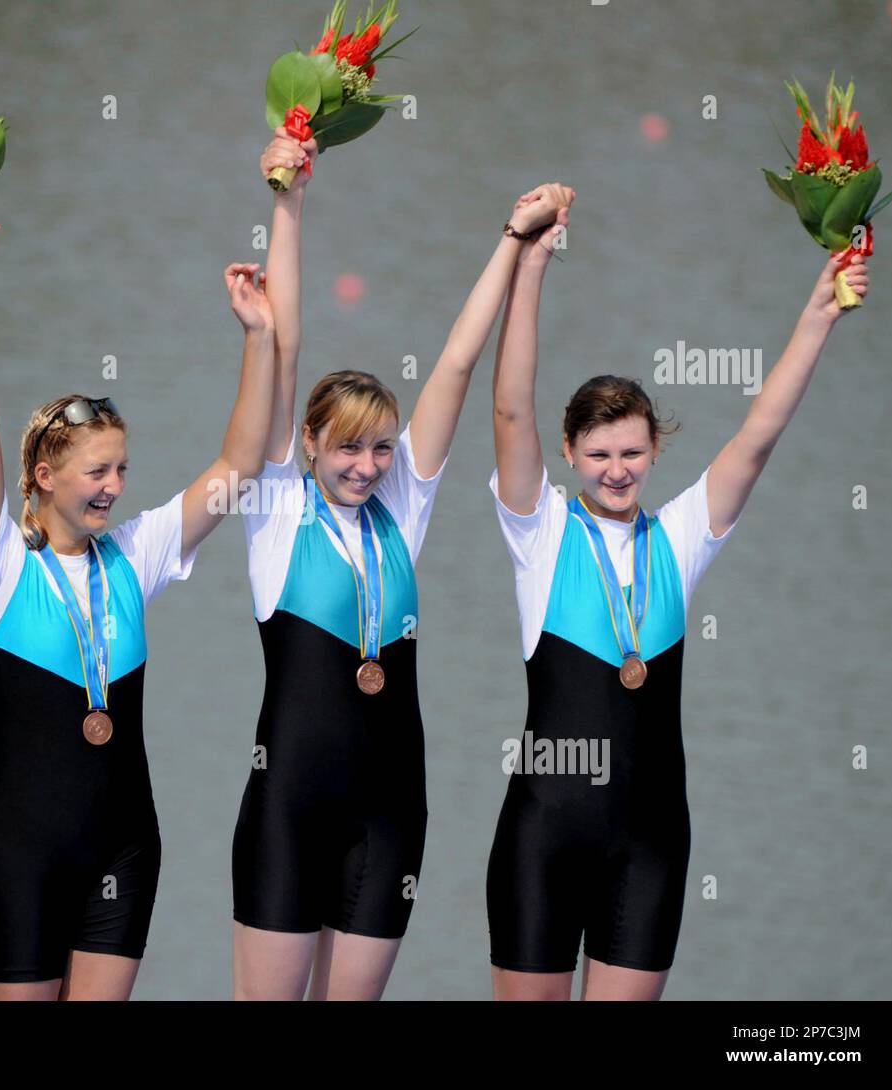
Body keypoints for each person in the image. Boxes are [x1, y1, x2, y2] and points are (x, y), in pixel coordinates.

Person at [486, 208, 871, 1000]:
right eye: (598, 455)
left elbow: (759, 434)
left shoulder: (684, 535)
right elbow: (511, 410)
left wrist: (820, 311)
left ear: (655, 448)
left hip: (651, 842)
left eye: (632, 452)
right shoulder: (540, 533)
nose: (617, 470)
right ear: (570, 455)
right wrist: (531, 266)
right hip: (543, 839)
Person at [231, 127, 574, 1000]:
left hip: (391, 818)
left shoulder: (401, 515)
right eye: (347, 449)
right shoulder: (275, 516)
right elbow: (285, 347)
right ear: (308, 444)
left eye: (381, 449)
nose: (366, 466)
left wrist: (513, 239)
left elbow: (456, 362)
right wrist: (290, 196)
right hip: (287, 817)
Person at [0, 214, 277, 999]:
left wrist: (258, 336)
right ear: (45, 476)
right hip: (22, 853)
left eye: (121, 469)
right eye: (95, 470)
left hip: (125, 847)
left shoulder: (134, 556)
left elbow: (240, 463)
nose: (113, 487)